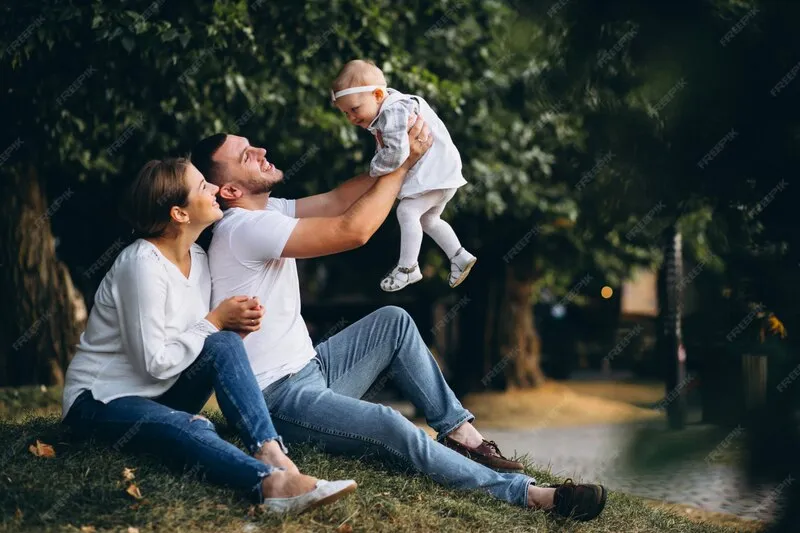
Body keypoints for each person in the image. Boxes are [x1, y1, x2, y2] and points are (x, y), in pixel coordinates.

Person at [192, 117, 607, 521]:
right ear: (229, 189)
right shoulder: (244, 227)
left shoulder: (271, 209)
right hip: (277, 399)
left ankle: (462, 434)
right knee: (389, 422)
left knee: (393, 320)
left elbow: (340, 199)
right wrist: (405, 166)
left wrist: (393, 153)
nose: (262, 151)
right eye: (247, 155)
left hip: (312, 368)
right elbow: (352, 230)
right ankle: (530, 496)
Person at [61, 158, 356, 513]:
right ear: (179, 214)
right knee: (189, 426)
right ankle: (271, 484)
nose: (216, 189)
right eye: (203, 186)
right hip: (101, 402)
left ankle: (271, 451)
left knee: (226, 342)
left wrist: (233, 327)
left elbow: (205, 343)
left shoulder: (198, 258)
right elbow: (154, 363)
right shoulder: (140, 265)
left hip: (162, 393)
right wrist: (215, 320)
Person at [331, 59, 476, 292]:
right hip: (441, 174)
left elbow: (397, 152)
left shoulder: (393, 110)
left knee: (407, 211)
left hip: (435, 174)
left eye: (355, 109)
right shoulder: (393, 107)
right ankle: (458, 256)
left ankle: (408, 268)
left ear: (378, 94)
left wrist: (374, 169)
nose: (351, 118)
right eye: (346, 113)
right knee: (428, 220)